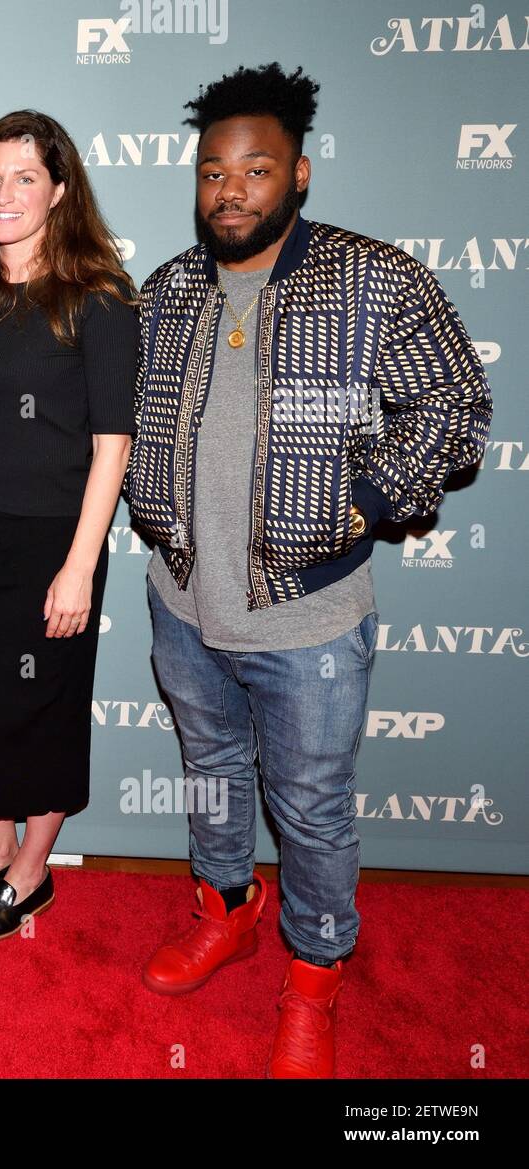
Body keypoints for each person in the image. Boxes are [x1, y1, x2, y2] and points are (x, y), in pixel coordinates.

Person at [126, 64, 492, 1076]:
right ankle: (224, 908)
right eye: (211, 172)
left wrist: (362, 505)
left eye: (253, 169)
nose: (229, 190)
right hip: (180, 601)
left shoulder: (372, 277)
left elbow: (453, 405)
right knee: (207, 776)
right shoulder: (167, 287)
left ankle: (314, 974)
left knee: (314, 805)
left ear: (299, 174)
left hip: (309, 618)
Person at [0, 111, 136, 941]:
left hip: (56, 540)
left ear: (59, 191)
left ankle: (34, 872)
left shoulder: (98, 298)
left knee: (41, 710)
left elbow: (112, 444)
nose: (3, 194)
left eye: (24, 178)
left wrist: (81, 564)